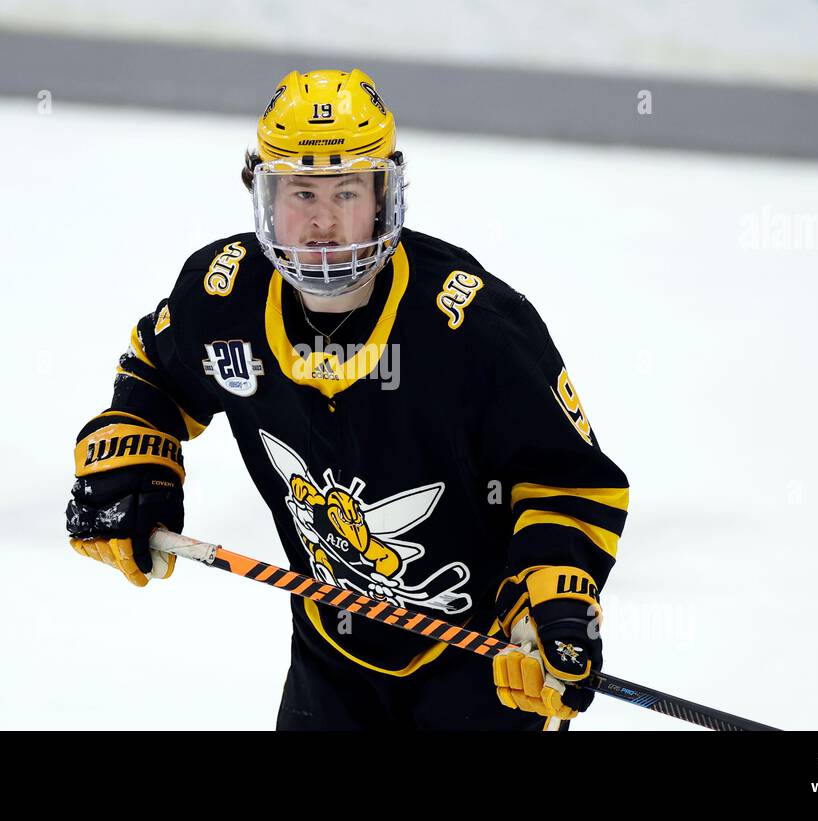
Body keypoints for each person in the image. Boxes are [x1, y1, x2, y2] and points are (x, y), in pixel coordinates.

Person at [65, 68, 630, 730]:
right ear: (263, 197)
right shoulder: (223, 299)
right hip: (329, 663)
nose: (324, 222)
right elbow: (155, 374)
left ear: (386, 196)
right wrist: (133, 454)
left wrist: (551, 595)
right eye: (300, 190)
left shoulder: (473, 327)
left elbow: (568, 480)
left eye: (347, 191)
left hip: (484, 668)